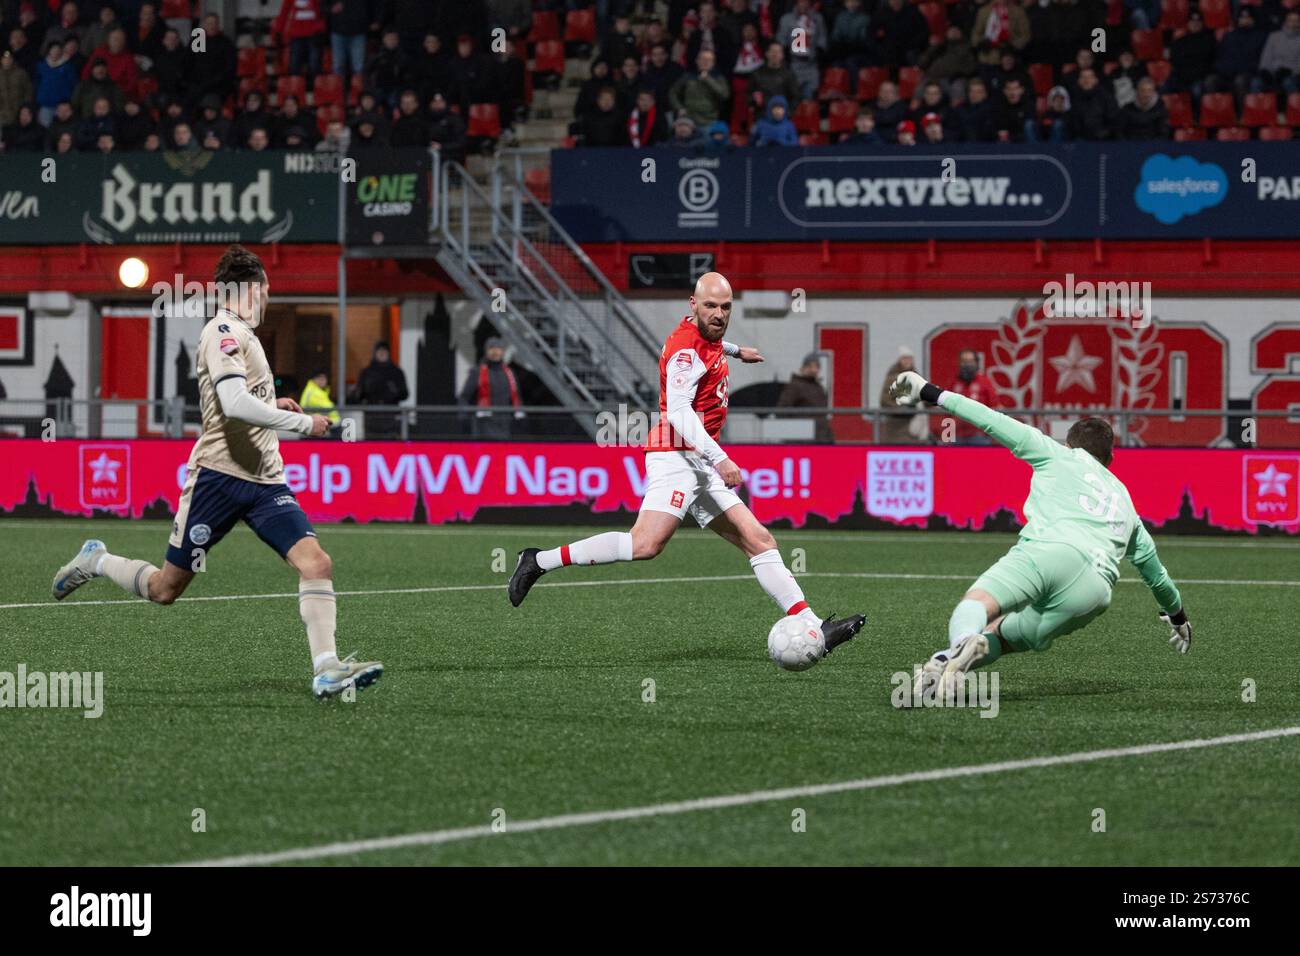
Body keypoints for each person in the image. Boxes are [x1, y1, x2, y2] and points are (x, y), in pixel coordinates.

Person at [50, 245, 382, 699]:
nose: (267, 300)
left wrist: (271, 405)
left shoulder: (243, 335)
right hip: (218, 480)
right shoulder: (222, 331)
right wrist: (306, 424)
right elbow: (232, 404)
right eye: (265, 291)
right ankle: (97, 560)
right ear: (252, 290)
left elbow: (246, 405)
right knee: (166, 589)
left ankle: (326, 668)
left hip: (266, 483)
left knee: (316, 562)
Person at [508, 273, 867, 659]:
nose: (718, 314)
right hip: (676, 456)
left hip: (696, 459)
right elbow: (678, 411)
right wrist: (721, 458)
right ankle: (538, 560)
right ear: (692, 305)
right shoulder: (685, 351)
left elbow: (707, 343)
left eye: (725, 307)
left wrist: (735, 351)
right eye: (710, 306)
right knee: (645, 544)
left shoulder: (705, 338)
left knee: (758, 540)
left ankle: (814, 626)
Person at [889, 371, 1191, 701]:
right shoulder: (1127, 504)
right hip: (1094, 592)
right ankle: (946, 662)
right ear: (1111, 460)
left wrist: (931, 392)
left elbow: (990, 419)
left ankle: (960, 642)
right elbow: (1157, 577)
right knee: (1001, 639)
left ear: (1069, 444)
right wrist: (1177, 616)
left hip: (1052, 551)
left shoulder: (1056, 453)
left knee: (979, 605)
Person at [458, 336, 524, 439]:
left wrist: (520, 419)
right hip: (483, 426)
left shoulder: (510, 373)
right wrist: (464, 418)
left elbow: (517, 398)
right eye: (491, 348)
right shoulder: (477, 372)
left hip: (505, 427)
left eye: (498, 348)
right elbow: (464, 397)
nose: (495, 352)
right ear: (486, 351)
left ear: (502, 351)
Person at [353, 339, 408, 435]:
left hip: (391, 417)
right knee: (372, 446)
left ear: (388, 353)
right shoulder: (367, 372)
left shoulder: (396, 372)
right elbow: (358, 393)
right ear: (375, 353)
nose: (382, 353)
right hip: (372, 418)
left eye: (384, 351)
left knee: (390, 446)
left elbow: (404, 393)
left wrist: (394, 393)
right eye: (380, 351)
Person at [777, 352, 833, 442]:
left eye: (817, 367)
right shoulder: (794, 386)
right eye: (810, 366)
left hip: (821, 439)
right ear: (803, 368)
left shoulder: (819, 387)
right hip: (802, 441)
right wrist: (795, 432)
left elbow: (823, 415)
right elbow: (781, 411)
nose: (814, 370)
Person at [949, 348, 998, 444]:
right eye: (964, 361)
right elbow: (946, 410)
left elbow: (994, 406)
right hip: (957, 434)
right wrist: (948, 434)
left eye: (970, 361)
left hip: (979, 434)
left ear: (976, 363)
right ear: (959, 363)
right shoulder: (954, 383)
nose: (967, 365)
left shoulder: (985, 382)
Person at [878, 346, 923, 443]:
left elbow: (922, 397)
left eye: (910, 358)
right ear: (899, 360)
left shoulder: (917, 377)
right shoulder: (892, 377)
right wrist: (901, 406)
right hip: (895, 423)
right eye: (904, 358)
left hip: (912, 423)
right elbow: (884, 400)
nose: (907, 361)